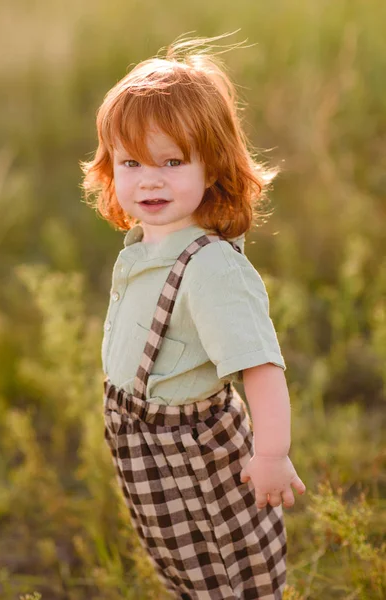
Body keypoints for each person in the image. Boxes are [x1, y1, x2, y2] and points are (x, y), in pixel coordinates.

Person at [80, 32, 306, 600]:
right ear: (111, 169)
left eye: (172, 161)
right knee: (182, 567)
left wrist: (272, 454)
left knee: (229, 572)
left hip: (194, 453)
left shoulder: (210, 269)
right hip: (143, 444)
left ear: (213, 169)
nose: (149, 178)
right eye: (132, 162)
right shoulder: (145, 243)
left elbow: (260, 366)